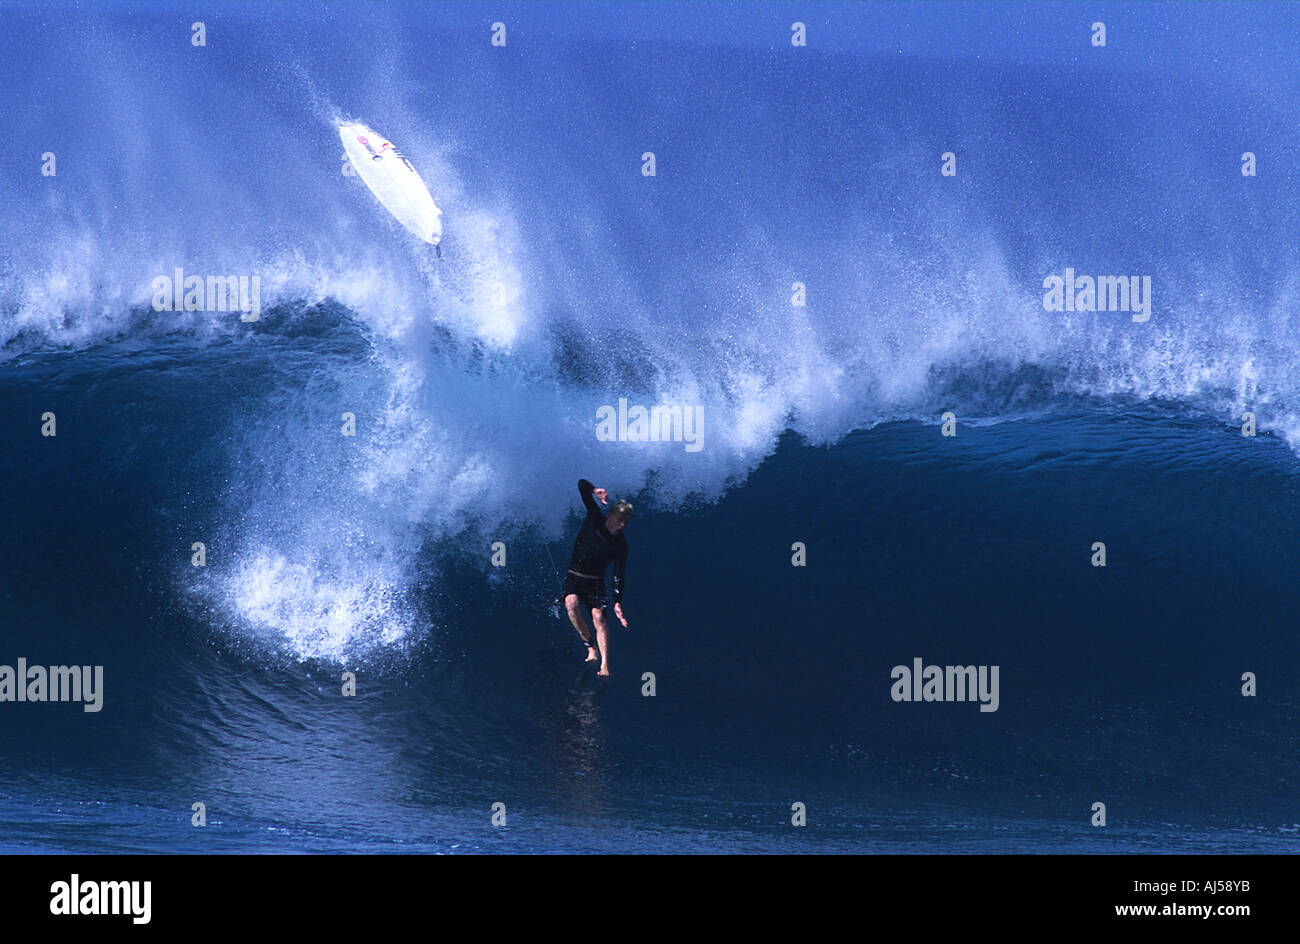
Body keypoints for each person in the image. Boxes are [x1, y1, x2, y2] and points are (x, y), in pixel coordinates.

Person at [560, 478, 631, 676]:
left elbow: (618, 575)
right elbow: (581, 484)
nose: (623, 525)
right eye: (620, 520)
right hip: (575, 575)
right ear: (611, 515)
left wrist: (618, 602)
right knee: (571, 604)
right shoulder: (594, 517)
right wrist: (595, 490)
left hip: (595, 582)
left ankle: (605, 665)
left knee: (599, 617)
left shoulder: (621, 545)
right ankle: (590, 646)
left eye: (626, 522)